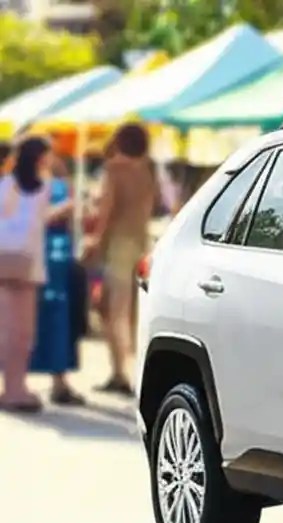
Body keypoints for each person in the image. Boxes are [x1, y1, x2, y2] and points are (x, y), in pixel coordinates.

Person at [83, 122, 156, 395]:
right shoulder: (148, 170)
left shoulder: (115, 169)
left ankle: (121, 373)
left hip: (118, 245)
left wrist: (95, 242)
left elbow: (108, 209)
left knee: (114, 312)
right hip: (141, 242)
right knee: (135, 313)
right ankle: (133, 370)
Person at [0, 136, 67, 412]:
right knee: (23, 333)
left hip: (4, 259)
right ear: (40, 158)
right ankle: (16, 389)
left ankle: (11, 388)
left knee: (7, 330)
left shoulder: (6, 184)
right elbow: (40, 216)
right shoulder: (45, 187)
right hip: (28, 264)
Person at [29, 153, 85, 405]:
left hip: (59, 258)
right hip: (38, 256)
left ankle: (59, 381)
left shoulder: (60, 184)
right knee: (28, 320)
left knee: (59, 320)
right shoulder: (21, 186)